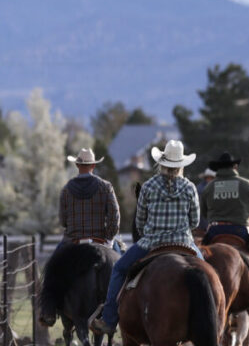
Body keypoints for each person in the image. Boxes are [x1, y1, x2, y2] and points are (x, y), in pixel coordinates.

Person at [89, 140, 202, 334]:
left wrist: (150, 231)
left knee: (119, 269)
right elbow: (195, 221)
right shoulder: (190, 187)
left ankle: (109, 319)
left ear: (162, 163)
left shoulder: (149, 186)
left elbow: (140, 221)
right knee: (208, 273)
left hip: (152, 243)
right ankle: (217, 319)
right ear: (181, 164)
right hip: (184, 243)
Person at [199, 152, 249, 313]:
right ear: (234, 167)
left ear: (218, 169)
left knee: (197, 259)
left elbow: (204, 212)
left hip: (214, 230)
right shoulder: (246, 184)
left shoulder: (209, 187)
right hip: (240, 230)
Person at [55, 147, 121, 254]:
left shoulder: (66, 190)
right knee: (120, 266)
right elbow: (114, 215)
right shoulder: (106, 187)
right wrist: (109, 239)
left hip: (72, 241)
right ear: (93, 165)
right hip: (100, 239)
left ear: (77, 165)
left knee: (52, 268)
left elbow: (63, 221)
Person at [194, 167, 215, 233]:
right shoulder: (201, 188)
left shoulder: (199, 187)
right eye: (209, 177)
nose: (210, 179)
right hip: (205, 221)